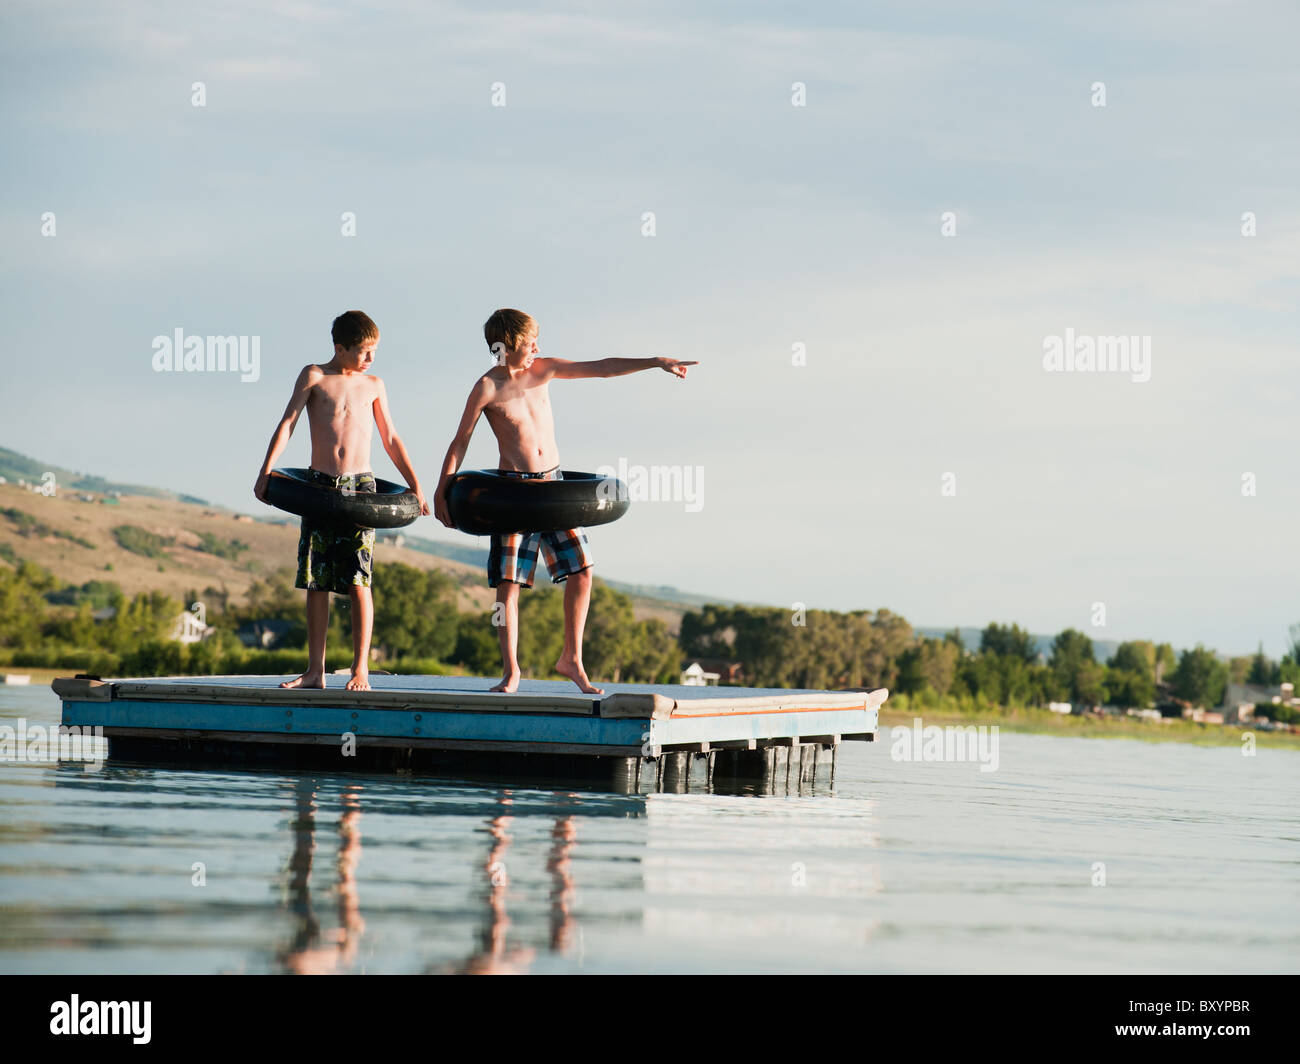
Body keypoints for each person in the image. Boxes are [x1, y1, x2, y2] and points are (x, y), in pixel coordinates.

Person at [433, 308, 696, 694]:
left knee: (582, 571)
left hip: (554, 490)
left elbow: (603, 367)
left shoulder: (544, 369)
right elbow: (461, 441)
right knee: (509, 584)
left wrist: (655, 362)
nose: (537, 347)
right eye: (529, 342)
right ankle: (511, 672)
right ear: (503, 347)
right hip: (512, 494)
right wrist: (443, 489)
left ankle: (571, 657)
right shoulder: (487, 388)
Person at [254, 310, 429, 691]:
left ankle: (359, 669)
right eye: (364, 351)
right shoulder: (314, 376)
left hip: (360, 489)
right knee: (316, 580)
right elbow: (288, 423)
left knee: (358, 579)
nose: (370, 358)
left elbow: (391, 438)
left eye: (374, 351)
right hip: (318, 487)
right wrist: (266, 471)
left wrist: (415, 486)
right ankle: (315, 671)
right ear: (340, 347)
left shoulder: (374, 385)